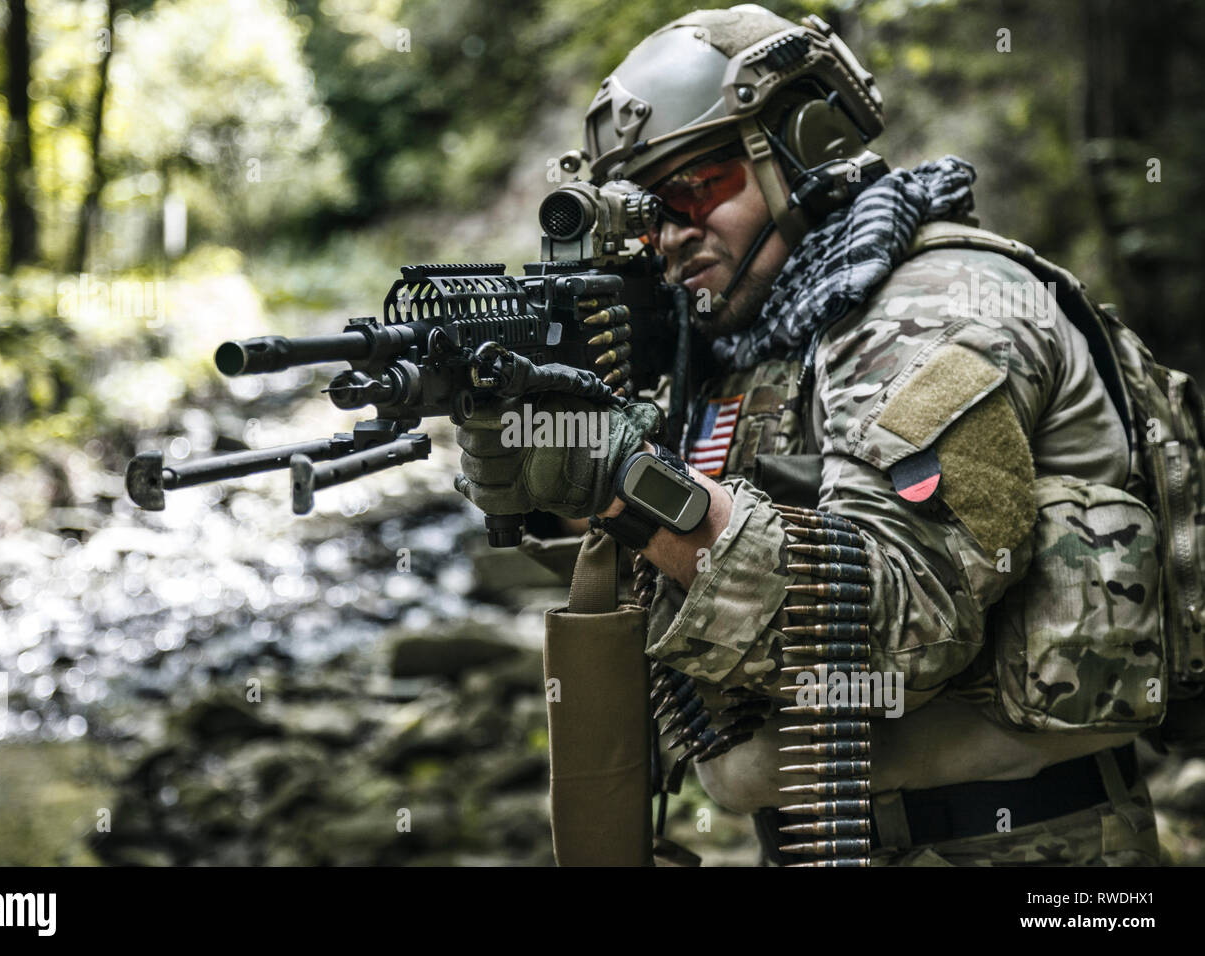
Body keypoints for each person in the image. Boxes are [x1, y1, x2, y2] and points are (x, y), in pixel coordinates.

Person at [453, 4, 1162, 866]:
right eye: (648, 208)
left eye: (698, 185)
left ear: (803, 147)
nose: (673, 233)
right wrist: (558, 486)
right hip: (824, 842)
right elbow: (688, 569)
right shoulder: (748, 343)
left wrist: (625, 484)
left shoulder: (943, 309)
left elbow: (909, 622)